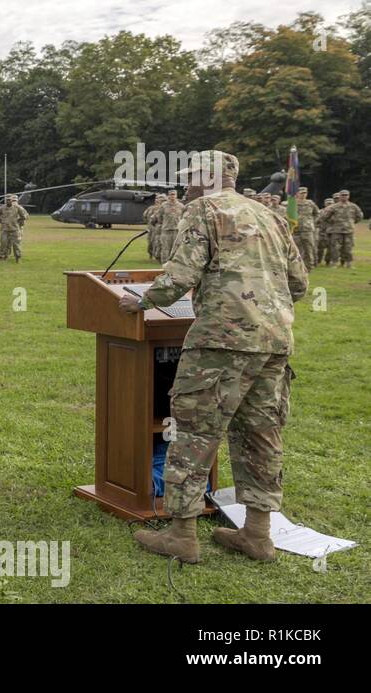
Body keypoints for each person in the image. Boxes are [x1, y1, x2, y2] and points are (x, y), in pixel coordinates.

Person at [119, 151, 307, 564]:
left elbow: (180, 276)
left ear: (208, 178)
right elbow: (299, 282)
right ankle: (258, 534)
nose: (185, 186)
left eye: (190, 178)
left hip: (220, 343)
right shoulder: (269, 215)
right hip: (274, 341)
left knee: (194, 432)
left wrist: (142, 301)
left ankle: (181, 535)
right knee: (261, 434)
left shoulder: (203, 209)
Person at [318, 190, 363, 269]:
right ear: (340, 196)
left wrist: (351, 222)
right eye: (342, 195)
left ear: (349, 196)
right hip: (336, 230)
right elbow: (324, 217)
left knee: (348, 248)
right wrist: (332, 223)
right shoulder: (334, 207)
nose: (344, 196)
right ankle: (334, 262)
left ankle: (348, 263)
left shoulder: (353, 206)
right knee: (335, 247)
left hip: (349, 230)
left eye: (346, 195)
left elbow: (359, 216)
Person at [0, 194, 28, 262]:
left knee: (16, 244)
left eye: (10, 200)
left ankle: (18, 257)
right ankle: (2, 257)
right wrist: (2, 222)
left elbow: (24, 216)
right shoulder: (2, 208)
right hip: (4, 229)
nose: (8, 201)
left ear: (12, 200)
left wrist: (18, 221)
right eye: (7, 200)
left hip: (14, 229)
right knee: (3, 243)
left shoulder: (17, 208)